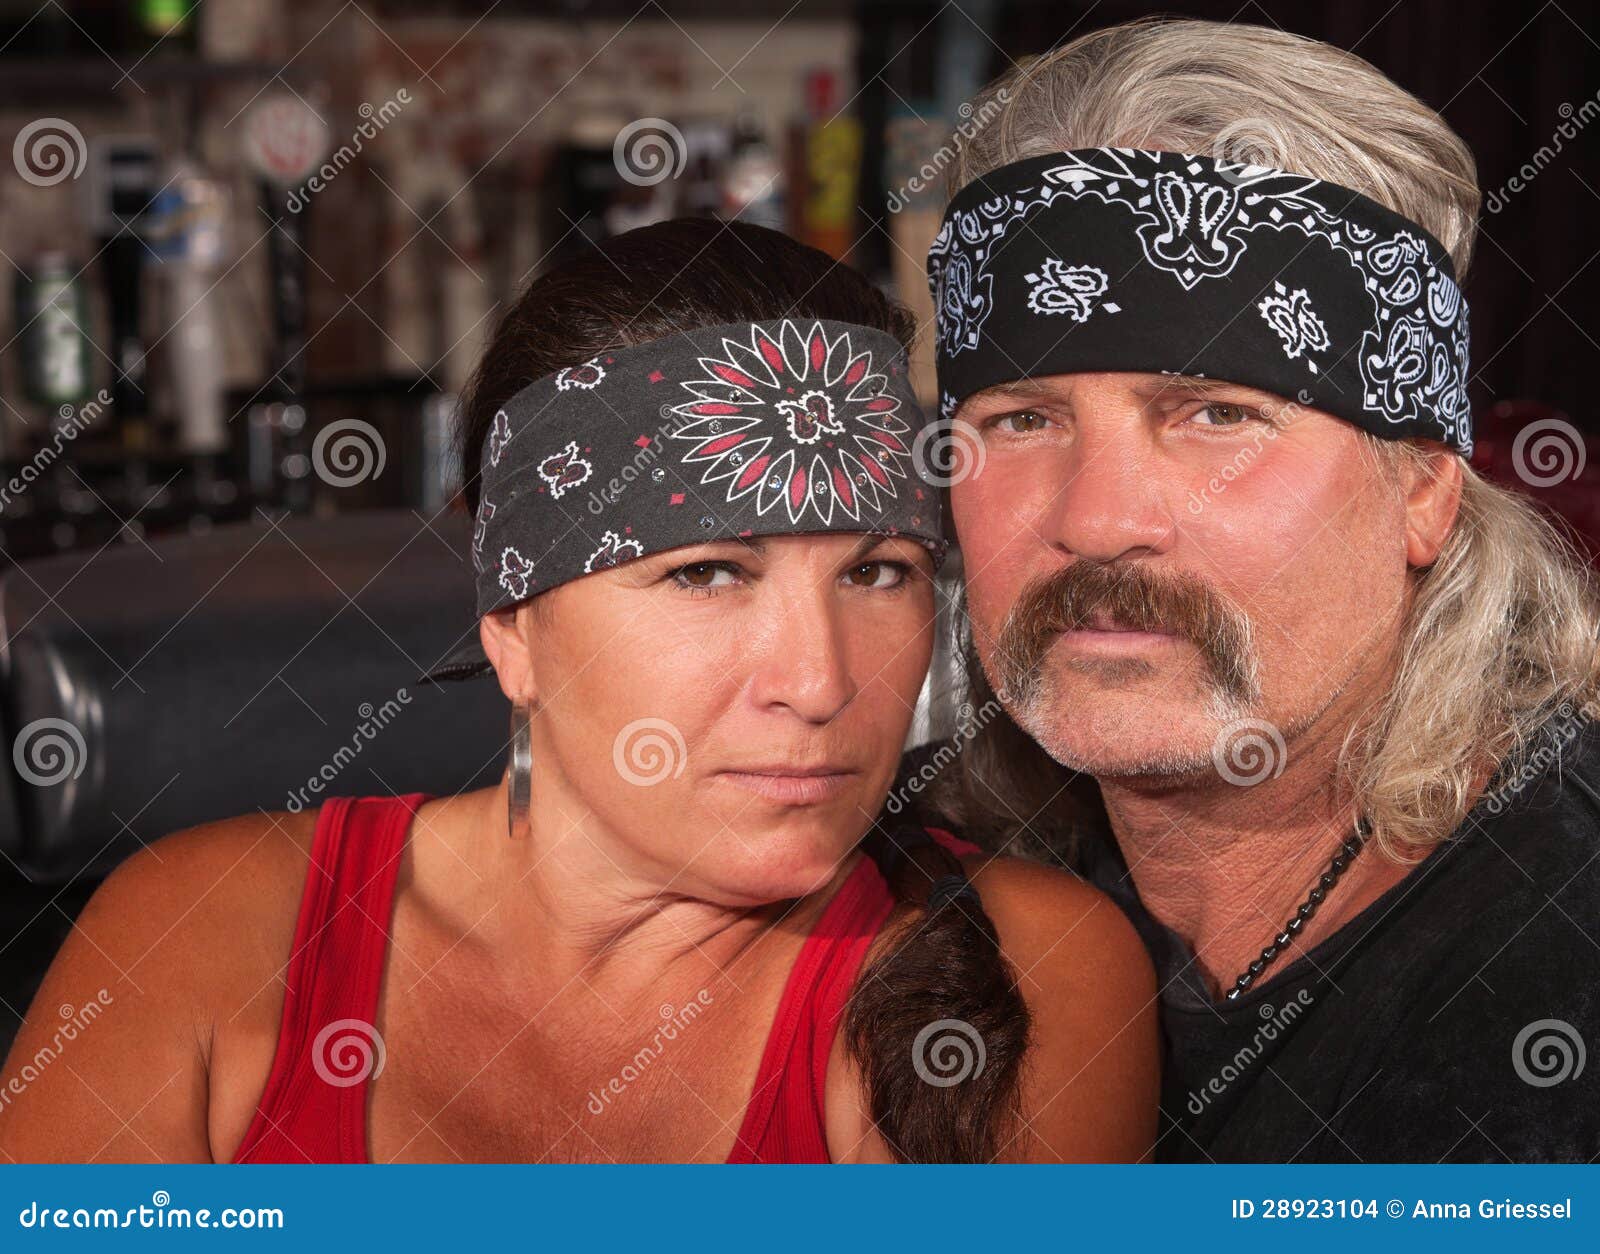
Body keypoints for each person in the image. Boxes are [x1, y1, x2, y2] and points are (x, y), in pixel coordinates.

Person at [0, 218, 1156, 1164]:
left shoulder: (1020, 973)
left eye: (876, 572)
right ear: (513, 628)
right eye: (707, 573)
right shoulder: (205, 936)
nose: (818, 683)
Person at [914, 18, 1600, 1161]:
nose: (1097, 521)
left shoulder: (1554, 981)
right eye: (1023, 419)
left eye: (1215, 415)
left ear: (1423, 489)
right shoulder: (922, 887)